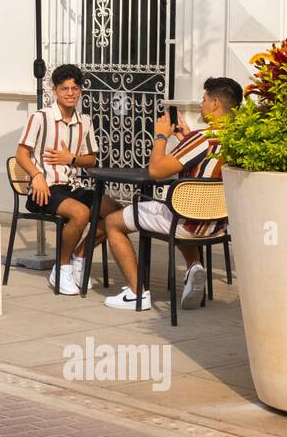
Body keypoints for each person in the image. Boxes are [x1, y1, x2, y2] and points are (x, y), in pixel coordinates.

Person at [102, 76, 244, 311]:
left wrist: (160, 136)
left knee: (112, 222)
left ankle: (137, 293)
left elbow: (156, 171)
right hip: (217, 224)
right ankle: (194, 268)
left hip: (188, 222)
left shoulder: (202, 139)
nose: (201, 104)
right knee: (178, 210)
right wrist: (186, 139)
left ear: (216, 103)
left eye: (204, 99)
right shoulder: (240, 139)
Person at [14, 64, 121, 295]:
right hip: (44, 190)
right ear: (54, 90)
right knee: (81, 214)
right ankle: (61, 268)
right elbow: (21, 154)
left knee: (116, 214)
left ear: (80, 90)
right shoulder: (40, 118)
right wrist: (37, 176)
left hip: (73, 186)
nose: (70, 93)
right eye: (64, 88)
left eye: (75, 88)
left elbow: (91, 159)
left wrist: (71, 158)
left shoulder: (85, 122)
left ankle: (79, 257)